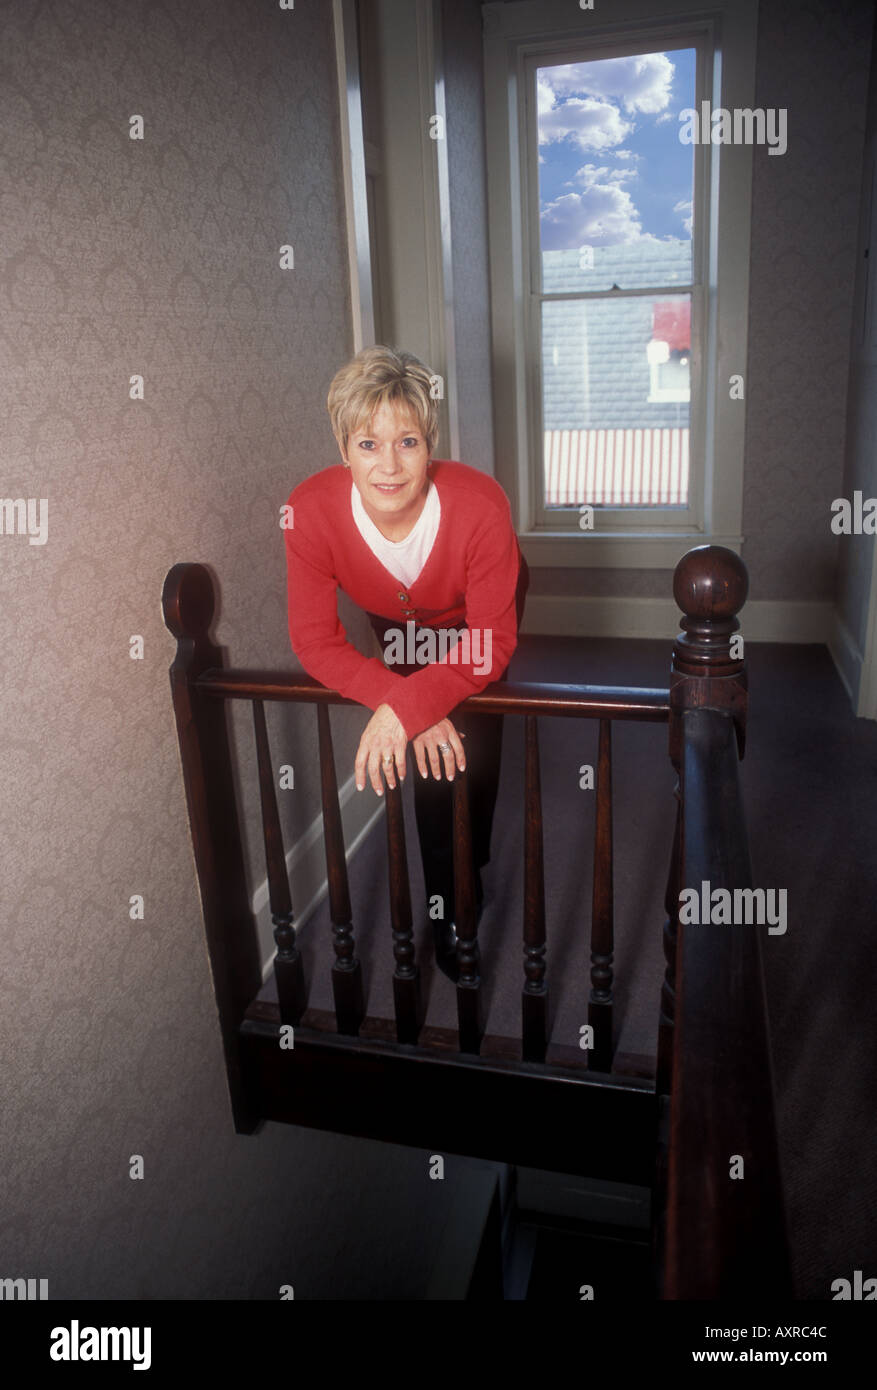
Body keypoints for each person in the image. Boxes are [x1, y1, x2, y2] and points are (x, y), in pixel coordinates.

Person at [284, 345, 529, 980]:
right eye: (368, 444)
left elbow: (488, 642)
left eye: (408, 442)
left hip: (479, 620)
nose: (388, 466)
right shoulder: (307, 512)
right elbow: (315, 641)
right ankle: (448, 909)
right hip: (399, 627)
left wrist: (407, 707)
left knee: (478, 747)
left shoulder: (481, 505)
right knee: (430, 760)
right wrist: (406, 707)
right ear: (344, 449)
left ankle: (469, 868)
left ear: (431, 444)